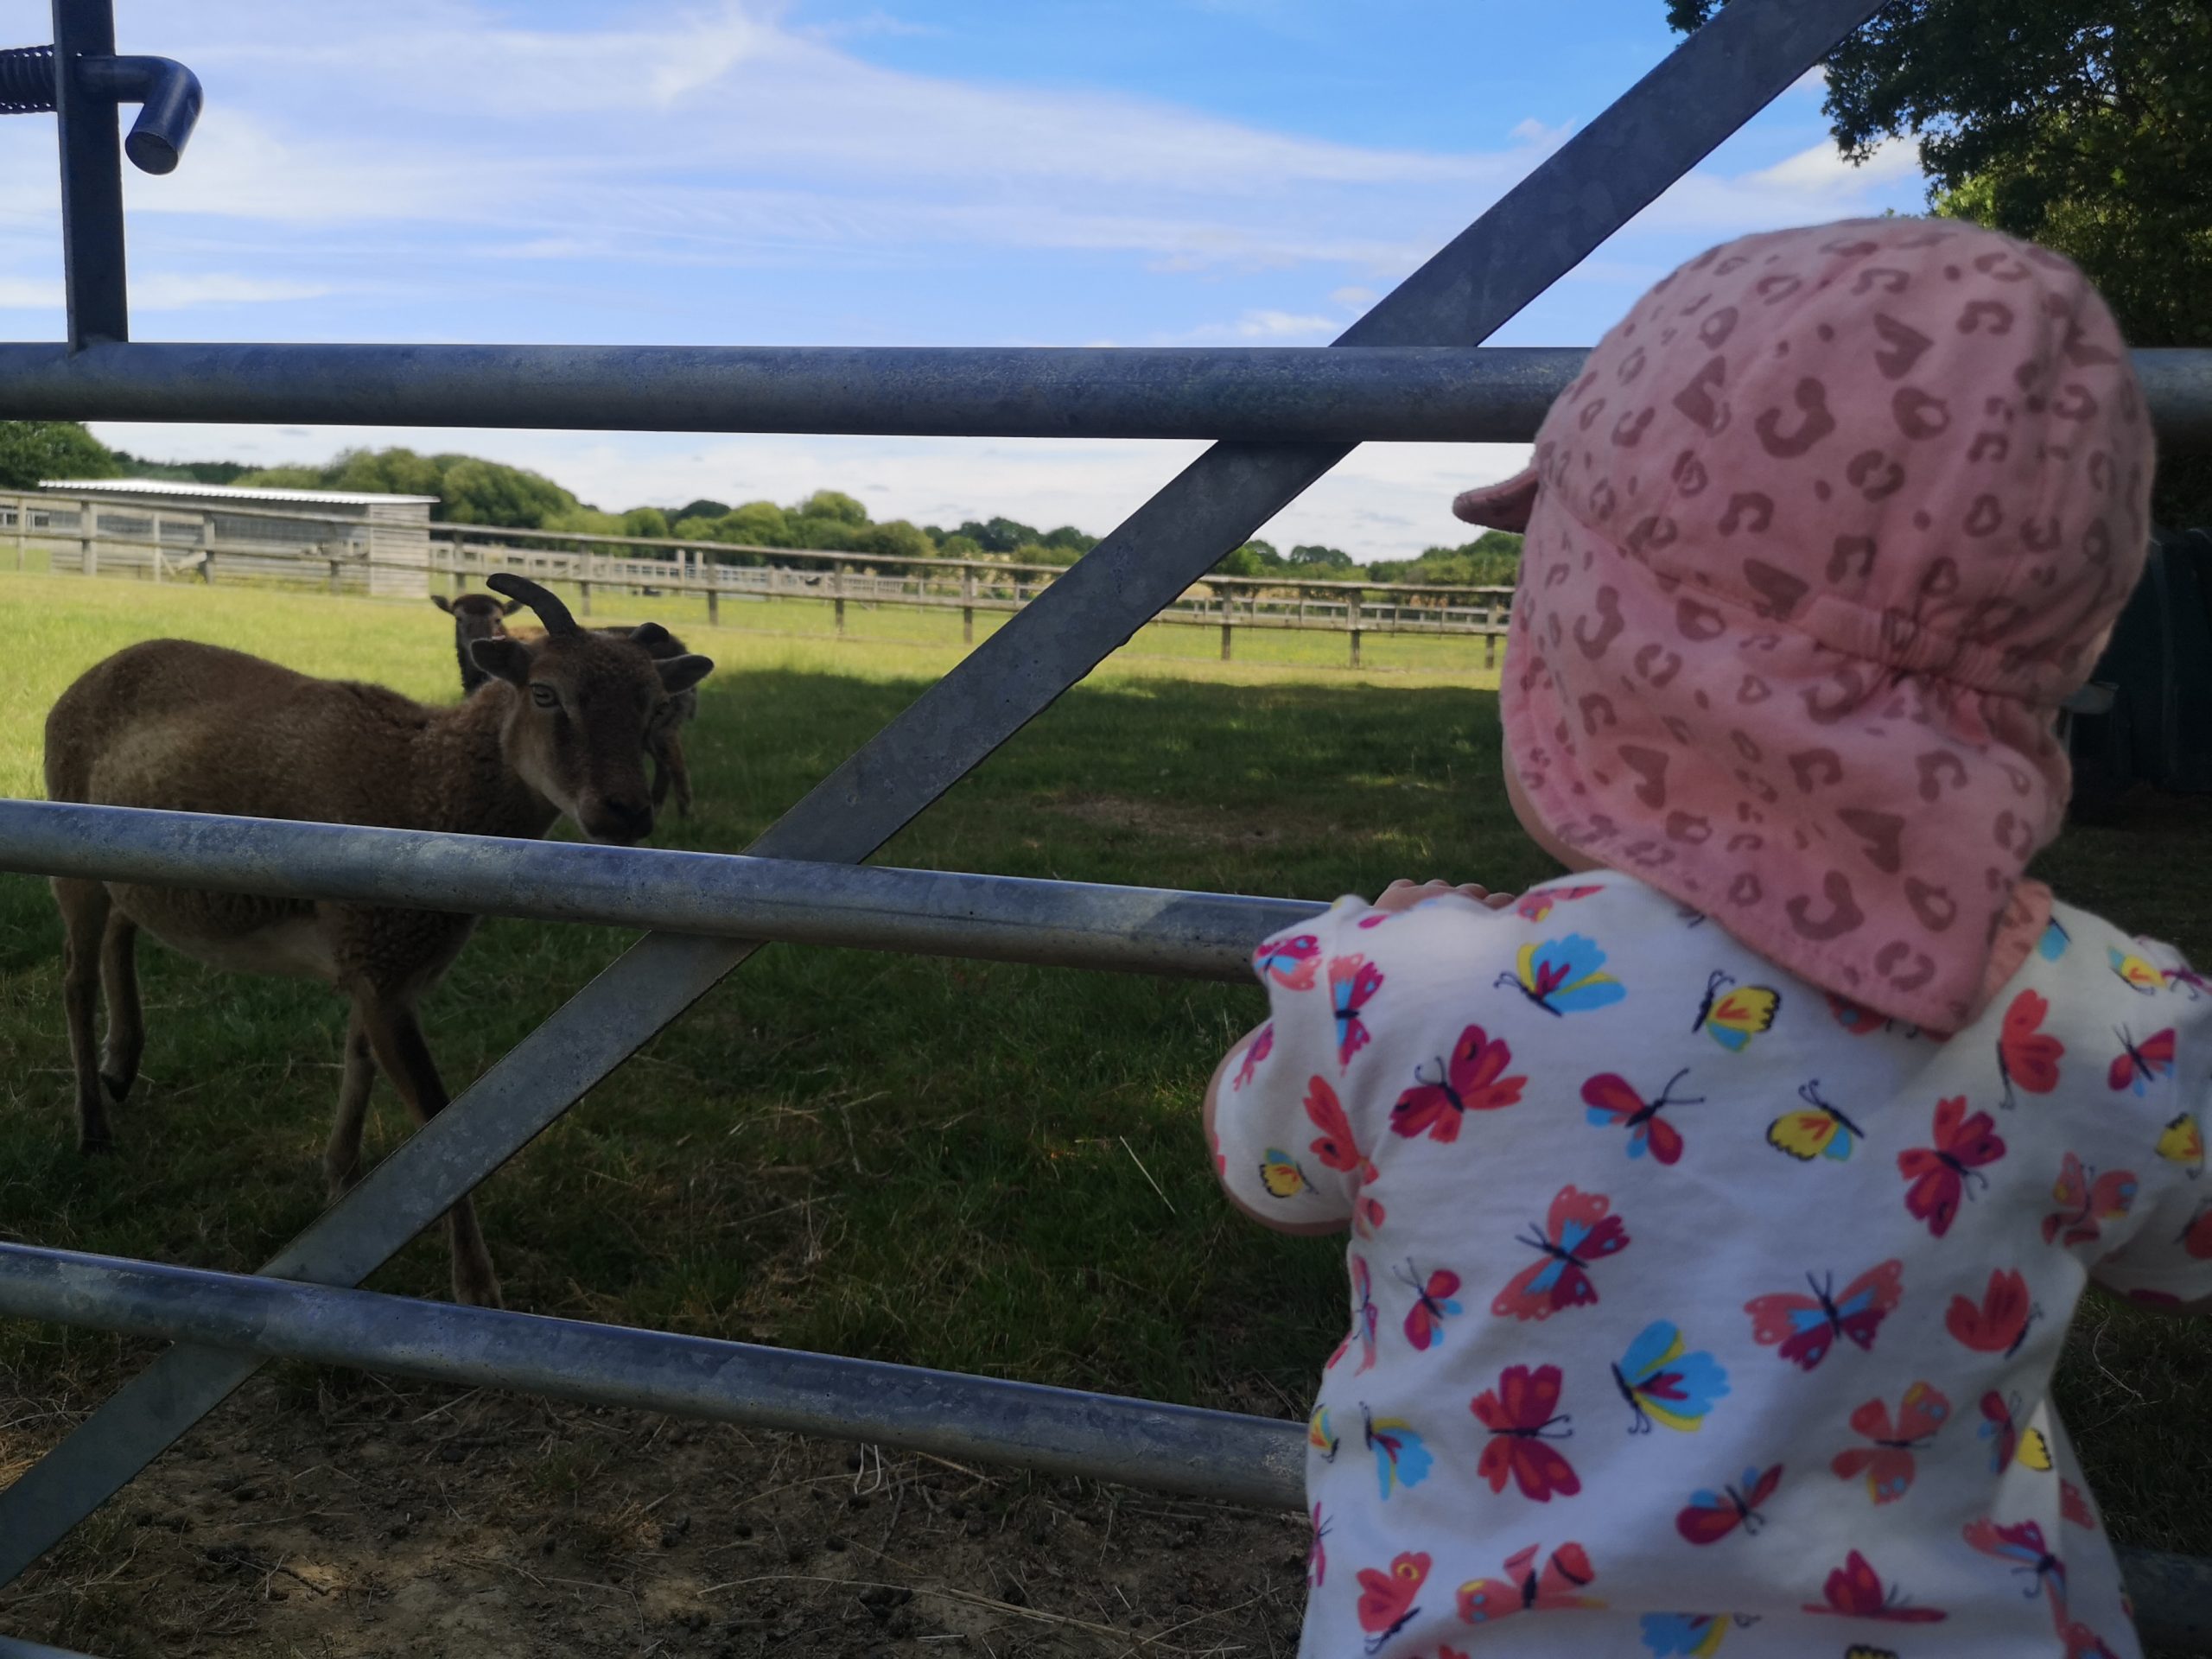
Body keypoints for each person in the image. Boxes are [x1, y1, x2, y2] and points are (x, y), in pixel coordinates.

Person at [1205, 216, 2208, 1658]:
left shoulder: (1398, 991)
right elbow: (2186, 1254)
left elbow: (1269, 1168)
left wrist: (1371, 976)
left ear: (1594, 654)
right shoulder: (2113, 1020)